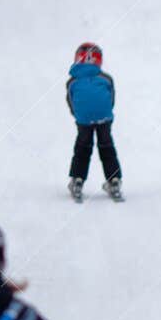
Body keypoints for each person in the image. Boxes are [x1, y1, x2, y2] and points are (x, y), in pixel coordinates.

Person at [66, 43, 122, 202]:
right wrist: (106, 115)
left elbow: (71, 102)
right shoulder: (106, 79)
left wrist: (78, 116)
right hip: (104, 117)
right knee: (107, 147)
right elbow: (111, 99)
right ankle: (114, 180)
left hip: (83, 119)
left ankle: (77, 179)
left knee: (83, 148)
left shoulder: (72, 82)